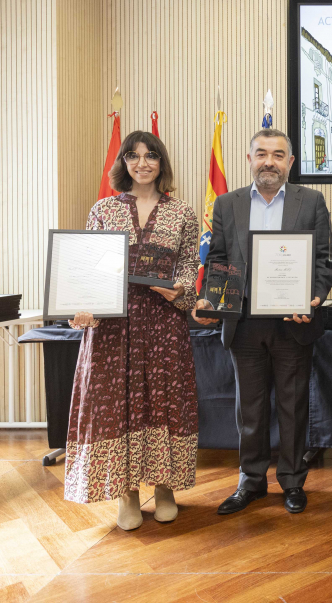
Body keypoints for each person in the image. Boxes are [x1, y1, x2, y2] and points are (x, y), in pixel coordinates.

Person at [193, 128, 332, 516]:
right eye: (261, 154)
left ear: (290, 162)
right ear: (249, 159)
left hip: (294, 321)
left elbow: (323, 259)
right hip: (244, 323)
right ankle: (251, 481)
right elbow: (218, 260)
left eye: (277, 155)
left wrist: (315, 297)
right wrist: (213, 299)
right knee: (250, 410)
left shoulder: (312, 201)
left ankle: (292, 481)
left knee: (293, 407)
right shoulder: (227, 203)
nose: (268, 161)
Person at [64, 131, 199, 531]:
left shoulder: (183, 213)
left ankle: (165, 488)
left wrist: (181, 290)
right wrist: (81, 307)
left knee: (164, 403)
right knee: (116, 406)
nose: (142, 163)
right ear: (123, 162)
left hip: (163, 322)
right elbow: (87, 268)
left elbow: (189, 266)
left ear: (162, 163)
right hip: (112, 327)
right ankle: (126, 493)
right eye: (133, 156)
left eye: (151, 155)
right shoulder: (103, 209)